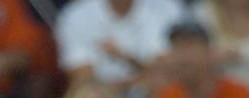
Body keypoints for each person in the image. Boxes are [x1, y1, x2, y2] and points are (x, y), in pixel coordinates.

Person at [55, 0, 184, 89]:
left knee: (161, 86)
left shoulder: (167, 8)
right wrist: (140, 78)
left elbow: (168, 73)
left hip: (152, 92)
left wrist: (127, 58)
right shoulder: (76, 16)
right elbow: (82, 79)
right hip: (106, 95)